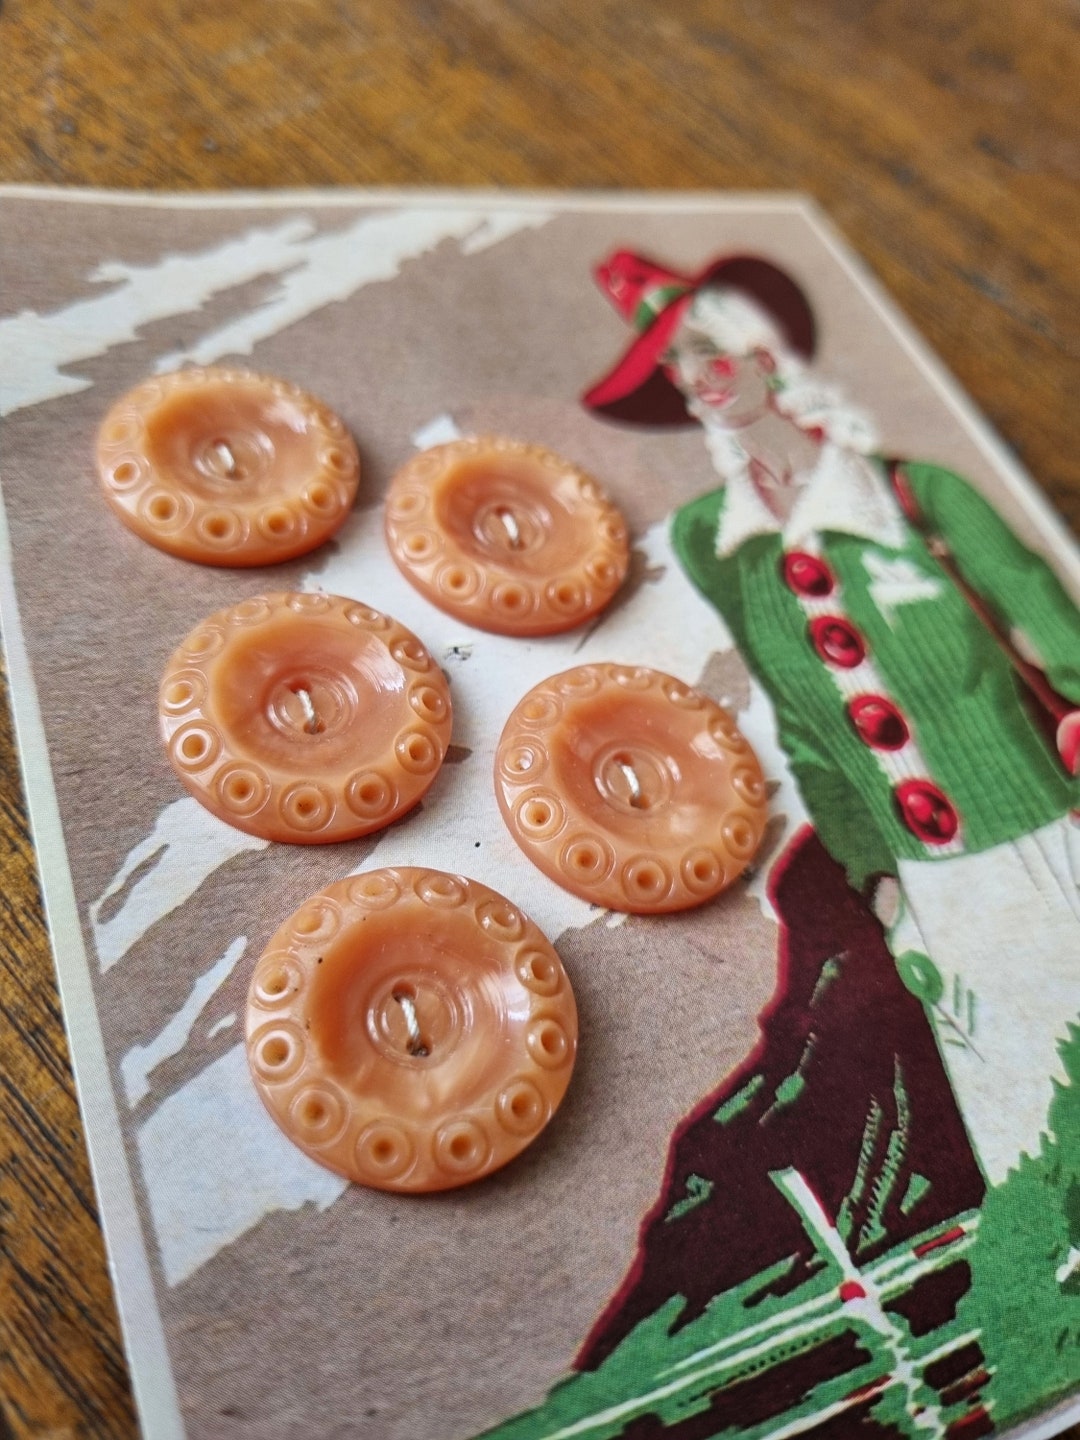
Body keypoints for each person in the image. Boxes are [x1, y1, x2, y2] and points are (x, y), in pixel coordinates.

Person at [584, 250, 1080, 1185]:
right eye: (676, 366)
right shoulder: (714, 542)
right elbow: (807, 732)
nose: (697, 377)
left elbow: (1068, 652)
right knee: (1036, 1158)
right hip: (938, 894)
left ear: (768, 357)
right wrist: (884, 887)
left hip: (1053, 841)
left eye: (709, 350)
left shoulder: (919, 496)